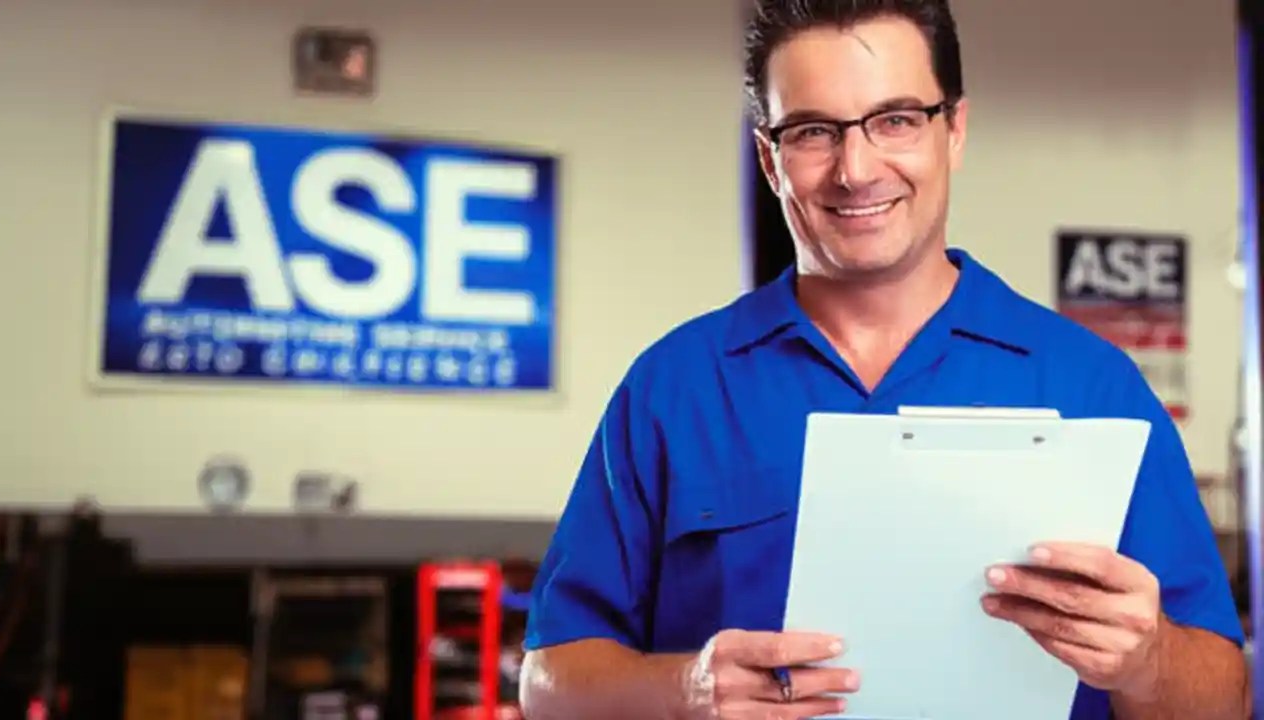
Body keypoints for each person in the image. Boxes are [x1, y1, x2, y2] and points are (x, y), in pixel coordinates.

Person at [517, 1, 1251, 718]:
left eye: (895, 119)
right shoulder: (674, 389)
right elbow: (548, 683)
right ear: (770, 158)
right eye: (813, 132)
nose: (856, 169)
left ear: (954, 130)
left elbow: (1225, 696)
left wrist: (1147, 659)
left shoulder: (1091, 386)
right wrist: (687, 689)